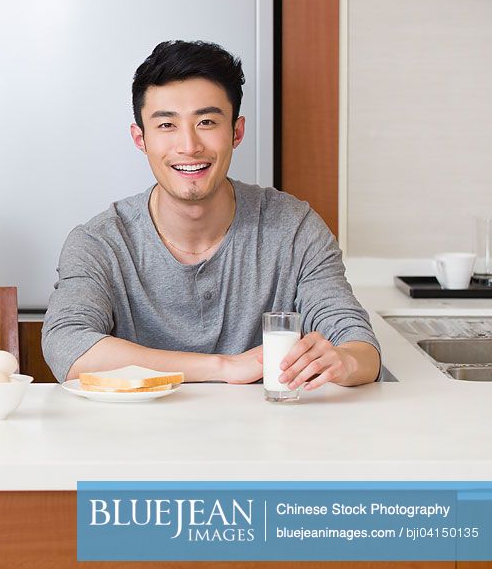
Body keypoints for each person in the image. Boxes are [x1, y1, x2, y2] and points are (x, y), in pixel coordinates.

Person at [41, 40, 380, 389]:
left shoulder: (293, 228)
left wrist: (345, 360)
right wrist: (222, 367)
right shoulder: (100, 241)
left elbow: (359, 346)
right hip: (138, 438)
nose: (188, 146)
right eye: (166, 125)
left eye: (206, 122)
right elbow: (67, 347)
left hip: (266, 437)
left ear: (236, 132)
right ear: (140, 139)